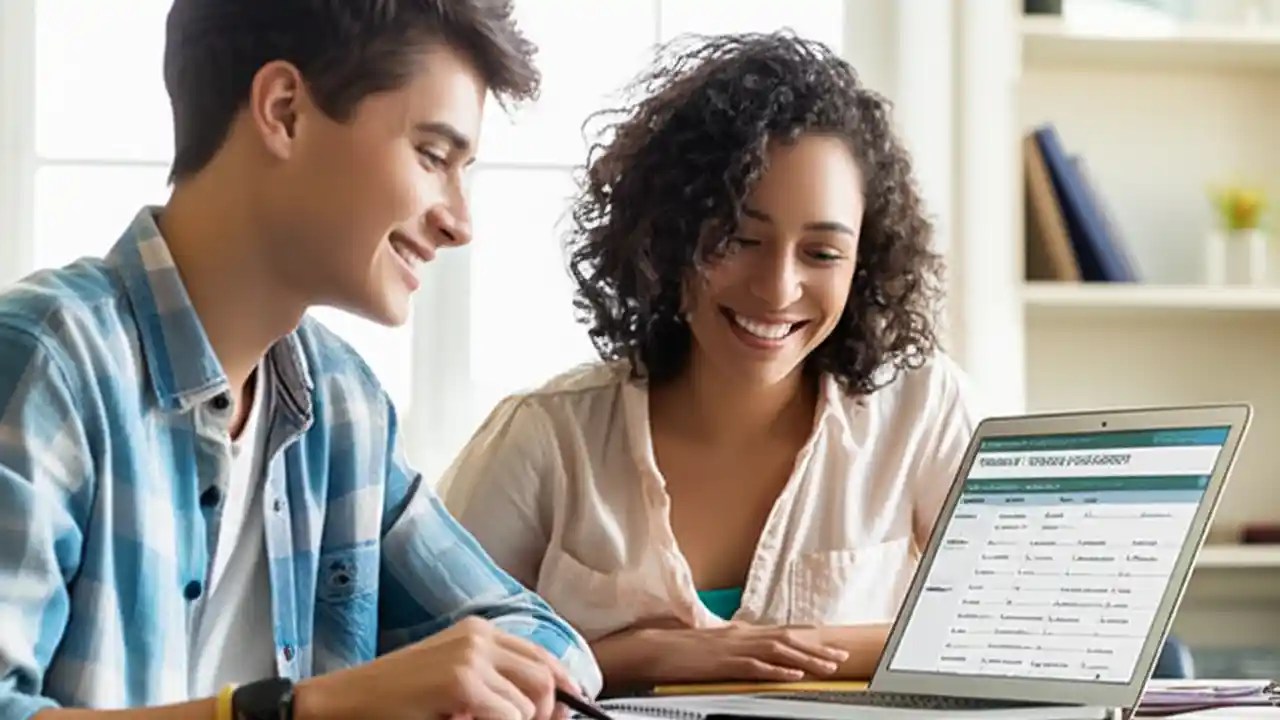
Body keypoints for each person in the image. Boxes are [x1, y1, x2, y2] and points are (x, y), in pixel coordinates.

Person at [0, 1, 602, 719]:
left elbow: (543, 640)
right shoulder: (47, 366)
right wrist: (306, 708)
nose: (459, 222)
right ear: (285, 111)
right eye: (432, 156)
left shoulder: (343, 408)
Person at [440, 31, 983, 691]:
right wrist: (649, 656)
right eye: (739, 239)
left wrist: (799, 649)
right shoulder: (549, 438)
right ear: (669, 236)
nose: (778, 289)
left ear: (862, 264)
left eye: (822, 253)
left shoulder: (921, 411)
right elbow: (433, 661)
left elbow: (1003, 635)